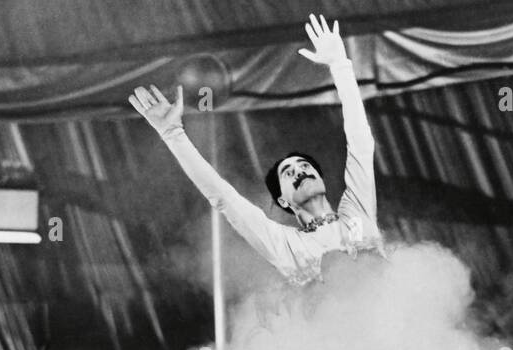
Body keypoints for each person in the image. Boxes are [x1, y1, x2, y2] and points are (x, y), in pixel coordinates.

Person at [129, 14, 381, 287]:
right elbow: (222, 197)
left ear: (321, 180)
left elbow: (360, 143)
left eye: (305, 167)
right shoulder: (284, 244)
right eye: (289, 172)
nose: (299, 170)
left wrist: (340, 66)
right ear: (284, 201)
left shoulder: (357, 214)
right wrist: (173, 134)